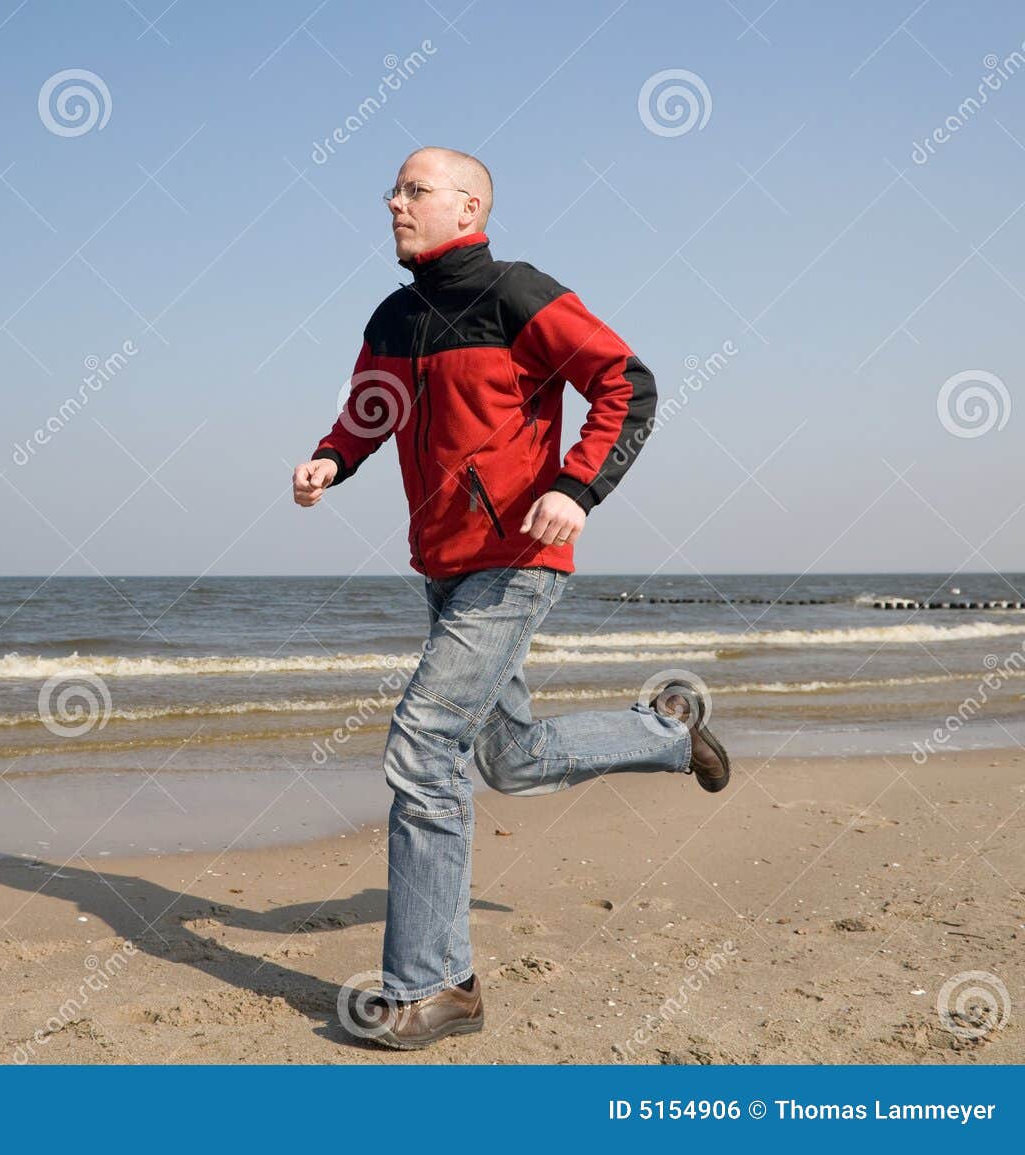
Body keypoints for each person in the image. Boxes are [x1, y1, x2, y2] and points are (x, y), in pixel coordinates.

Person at [291, 147, 732, 1051]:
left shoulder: (516, 294)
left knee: (422, 744)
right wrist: (331, 458)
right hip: (444, 565)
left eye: (415, 190)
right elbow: (372, 408)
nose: (394, 203)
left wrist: (578, 486)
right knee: (511, 756)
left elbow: (627, 382)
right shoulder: (394, 315)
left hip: (517, 557)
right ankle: (667, 731)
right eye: (394, 190)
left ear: (469, 206)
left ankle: (435, 985)